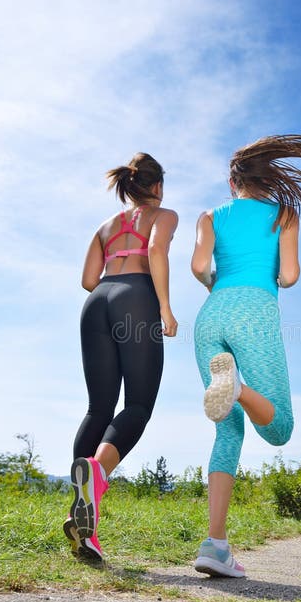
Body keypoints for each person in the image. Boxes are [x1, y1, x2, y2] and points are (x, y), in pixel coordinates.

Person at [191, 135, 301, 577]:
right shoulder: (284, 214)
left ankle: (215, 545)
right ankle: (237, 388)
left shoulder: (210, 216)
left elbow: (198, 267)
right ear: (269, 179)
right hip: (255, 311)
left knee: (227, 433)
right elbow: (289, 275)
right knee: (280, 428)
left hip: (210, 314)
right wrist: (272, 269)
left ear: (233, 181)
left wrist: (218, 281)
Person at [64, 153, 178, 562]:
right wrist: (164, 307)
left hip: (97, 302)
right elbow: (157, 252)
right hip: (136, 298)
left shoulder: (104, 227)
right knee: (139, 405)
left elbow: (87, 280)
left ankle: (82, 514)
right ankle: (96, 475)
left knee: (98, 407)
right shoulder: (163, 216)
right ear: (157, 186)